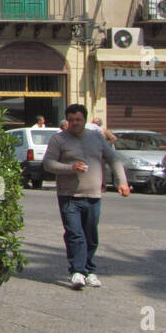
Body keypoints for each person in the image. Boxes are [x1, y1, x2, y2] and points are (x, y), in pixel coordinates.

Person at [43, 104, 128, 289]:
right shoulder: (59, 140)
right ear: (67, 121)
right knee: (75, 234)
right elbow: (48, 164)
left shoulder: (96, 137)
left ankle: (89, 271)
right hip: (69, 195)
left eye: (78, 120)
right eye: (71, 120)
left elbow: (114, 158)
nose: (74, 123)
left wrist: (122, 181)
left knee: (91, 236)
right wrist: (69, 168)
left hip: (93, 195)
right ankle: (77, 271)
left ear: (85, 120)